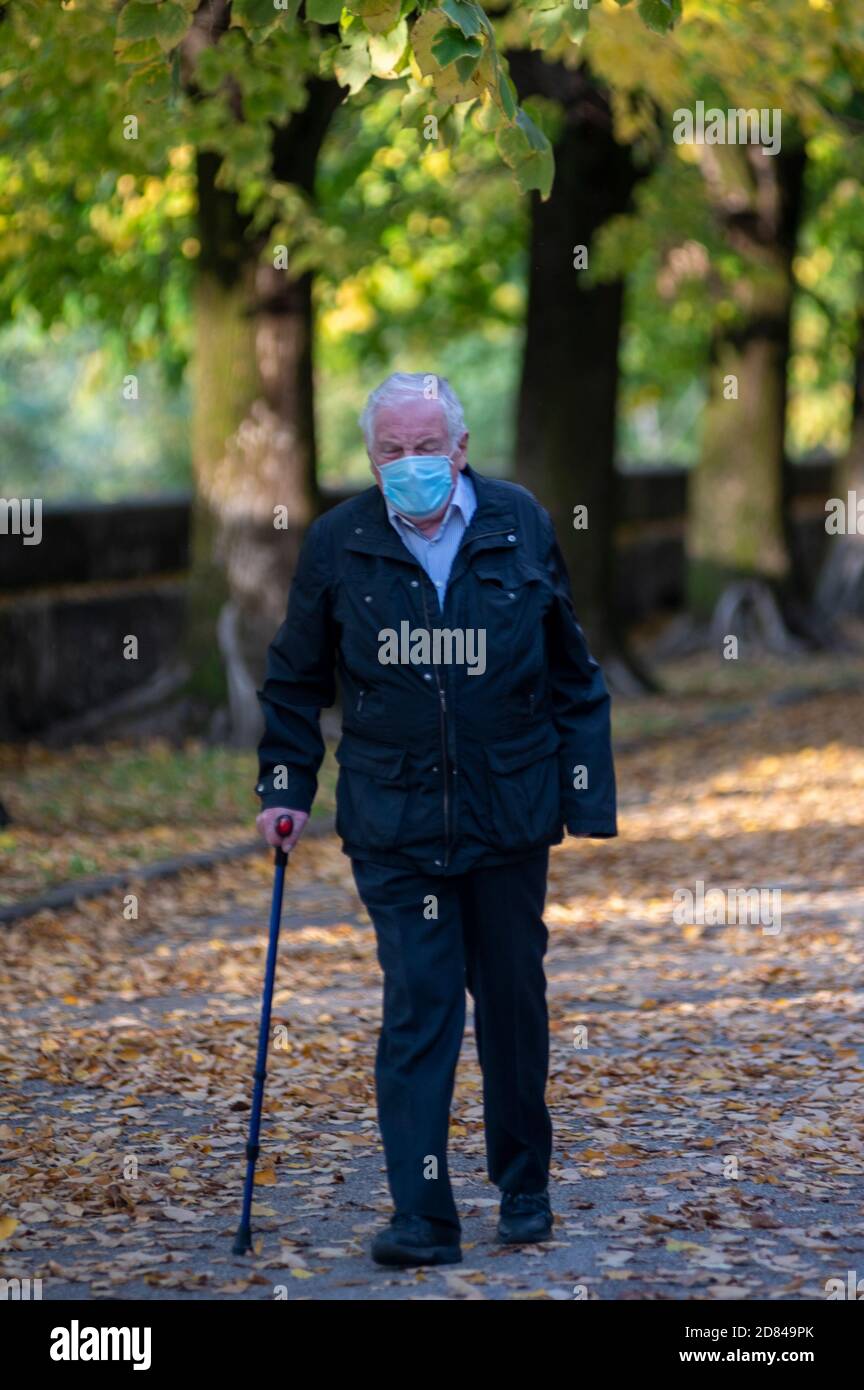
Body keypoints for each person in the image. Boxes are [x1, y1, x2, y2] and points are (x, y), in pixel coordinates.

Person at [255, 372, 617, 1267]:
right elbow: (296, 677)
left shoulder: (519, 522)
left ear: (459, 449)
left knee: (512, 1005)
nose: (410, 464)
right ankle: (423, 1215)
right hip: (396, 819)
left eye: (426, 447)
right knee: (418, 1012)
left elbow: (572, 669)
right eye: (391, 451)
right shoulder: (340, 542)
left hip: (506, 811)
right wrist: (284, 787)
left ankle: (523, 1182)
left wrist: (583, 794)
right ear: (371, 458)